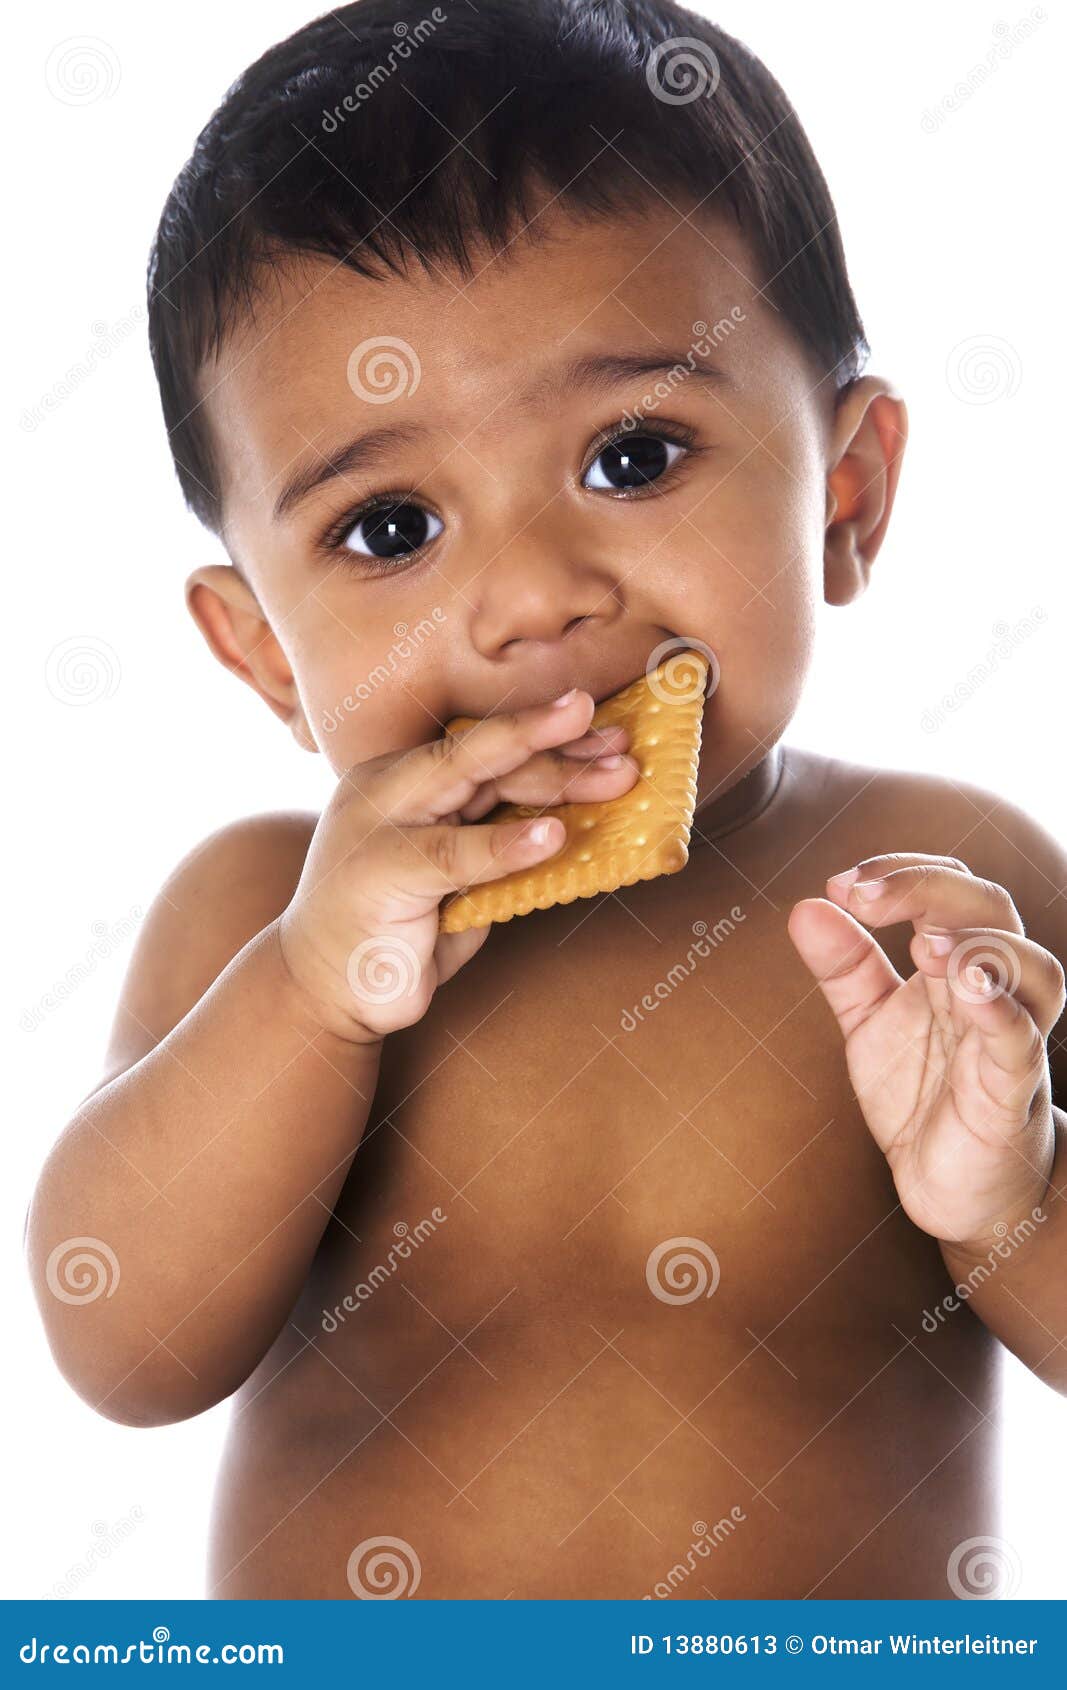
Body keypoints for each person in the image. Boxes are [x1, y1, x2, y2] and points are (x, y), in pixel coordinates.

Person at [26, 0, 1066, 1599]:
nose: (529, 598)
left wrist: (1018, 1191)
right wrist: (311, 997)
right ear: (264, 657)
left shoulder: (948, 891)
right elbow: (126, 1347)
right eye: (389, 530)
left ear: (846, 496)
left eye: (635, 454)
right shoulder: (257, 916)